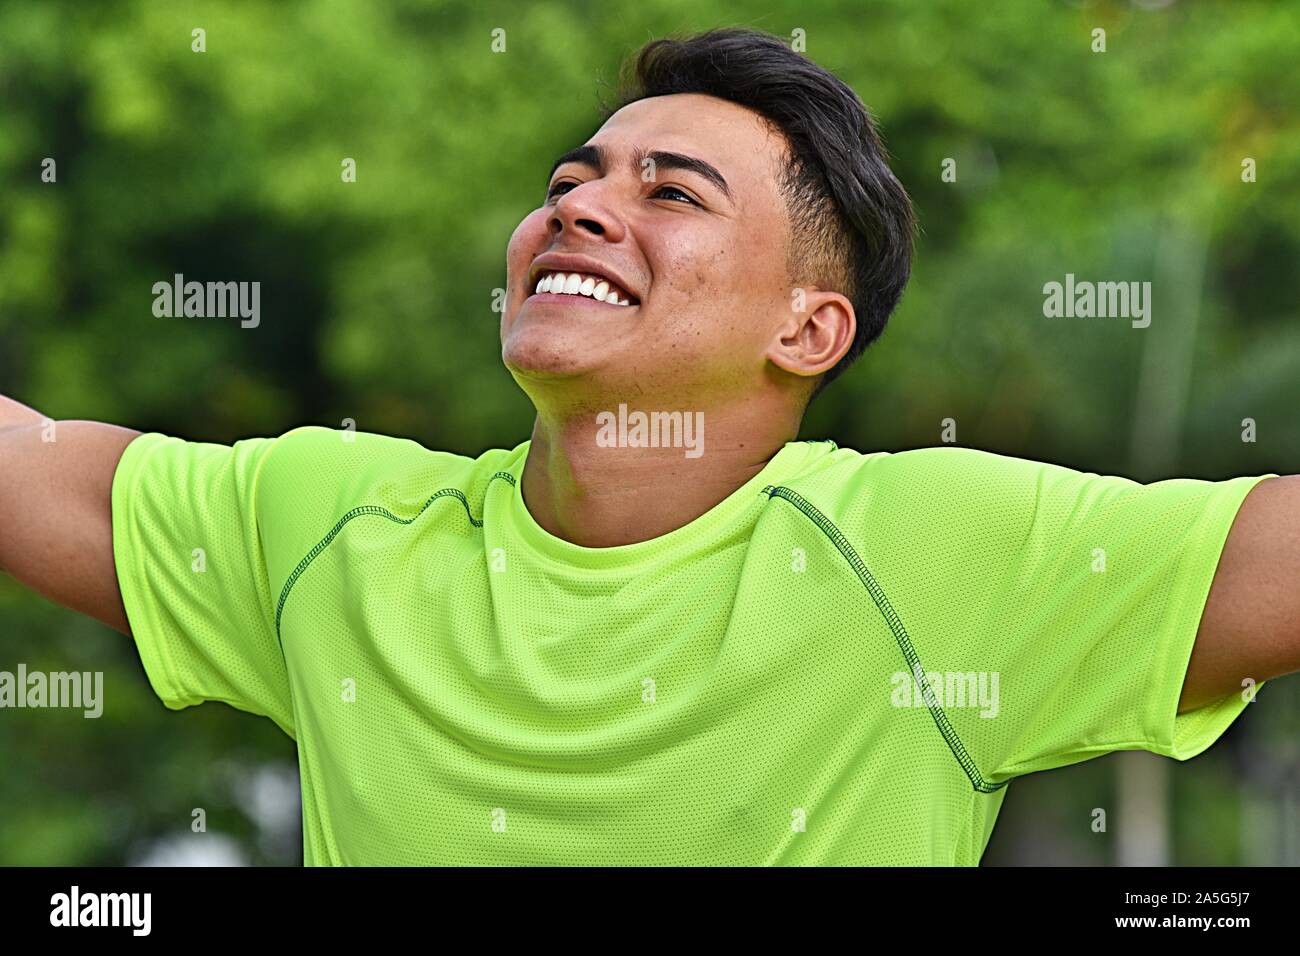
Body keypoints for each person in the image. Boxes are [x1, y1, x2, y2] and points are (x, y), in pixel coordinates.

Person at [1, 27, 1297, 866]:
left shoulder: (936, 552)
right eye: (571, 182)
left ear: (809, 326)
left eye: (670, 192)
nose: (578, 208)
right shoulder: (327, 521)